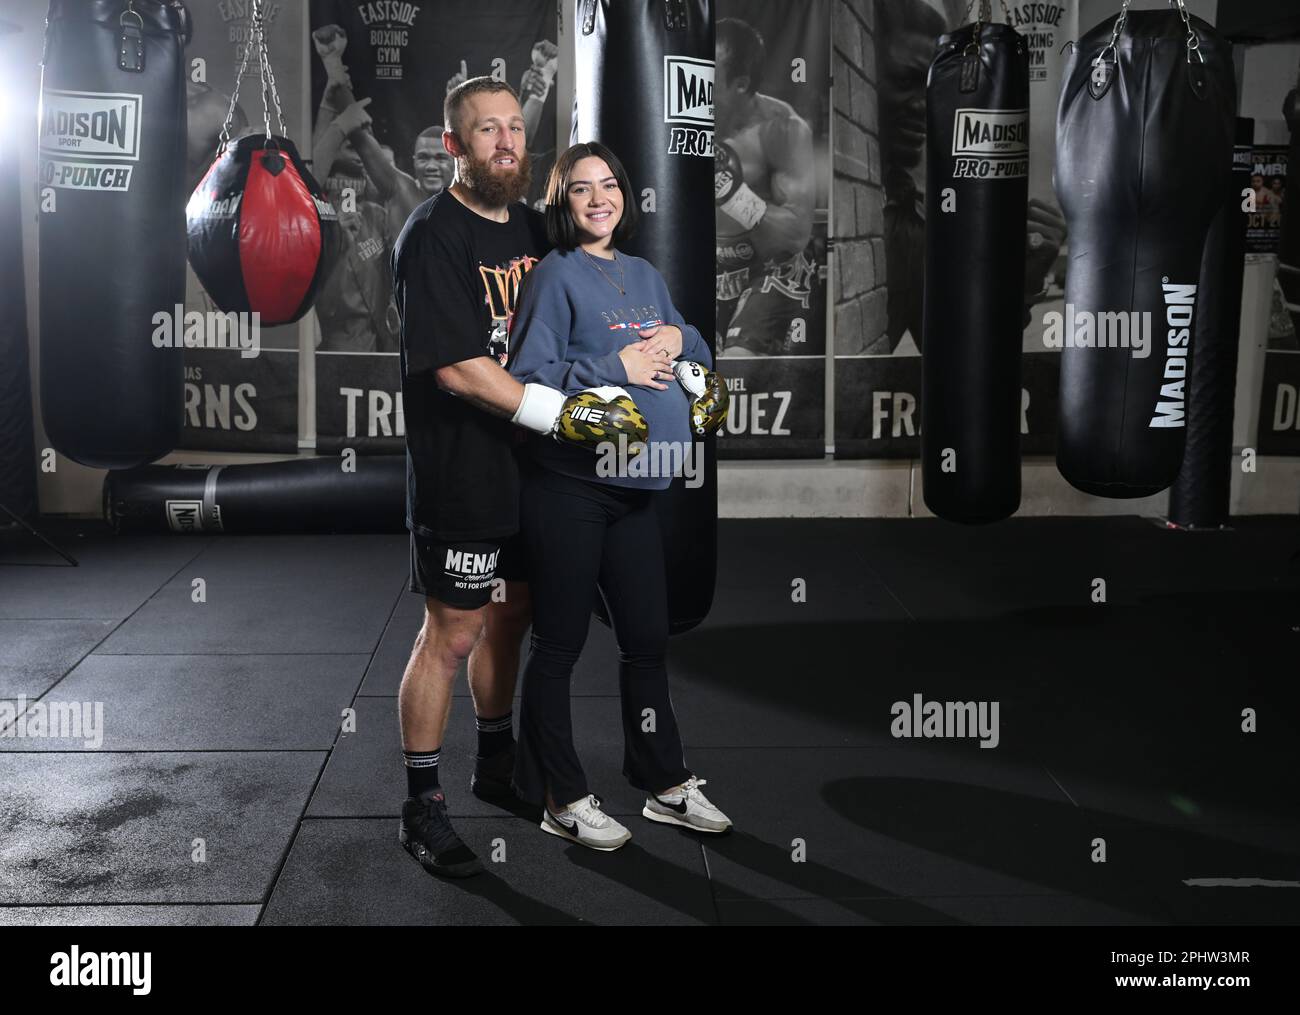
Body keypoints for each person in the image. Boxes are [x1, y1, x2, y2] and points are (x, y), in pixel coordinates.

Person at [506, 141, 733, 850]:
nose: (598, 198)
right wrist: (617, 363)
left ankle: (662, 783)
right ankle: (562, 795)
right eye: (581, 189)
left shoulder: (643, 273)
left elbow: (691, 349)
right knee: (560, 644)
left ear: (625, 197)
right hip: (571, 488)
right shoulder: (554, 276)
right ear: (562, 203)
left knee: (646, 642)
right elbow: (529, 377)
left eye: (609, 186)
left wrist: (680, 332)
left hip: (638, 488)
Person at [389, 77, 549, 878]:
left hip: (529, 472)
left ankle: (496, 758)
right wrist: (560, 413)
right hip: (463, 470)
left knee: (512, 613)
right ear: (454, 145)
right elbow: (458, 368)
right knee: (451, 634)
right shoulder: (434, 235)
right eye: (487, 130)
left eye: (516, 127)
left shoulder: (530, 224)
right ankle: (423, 804)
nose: (506, 142)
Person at [714, 18, 817, 357]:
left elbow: (796, 233)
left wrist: (735, 196)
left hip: (771, 268)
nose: (697, 82)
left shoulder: (782, 129)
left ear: (740, 84)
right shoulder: (680, 119)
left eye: (709, 75)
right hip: (711, 268)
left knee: (736, 364)